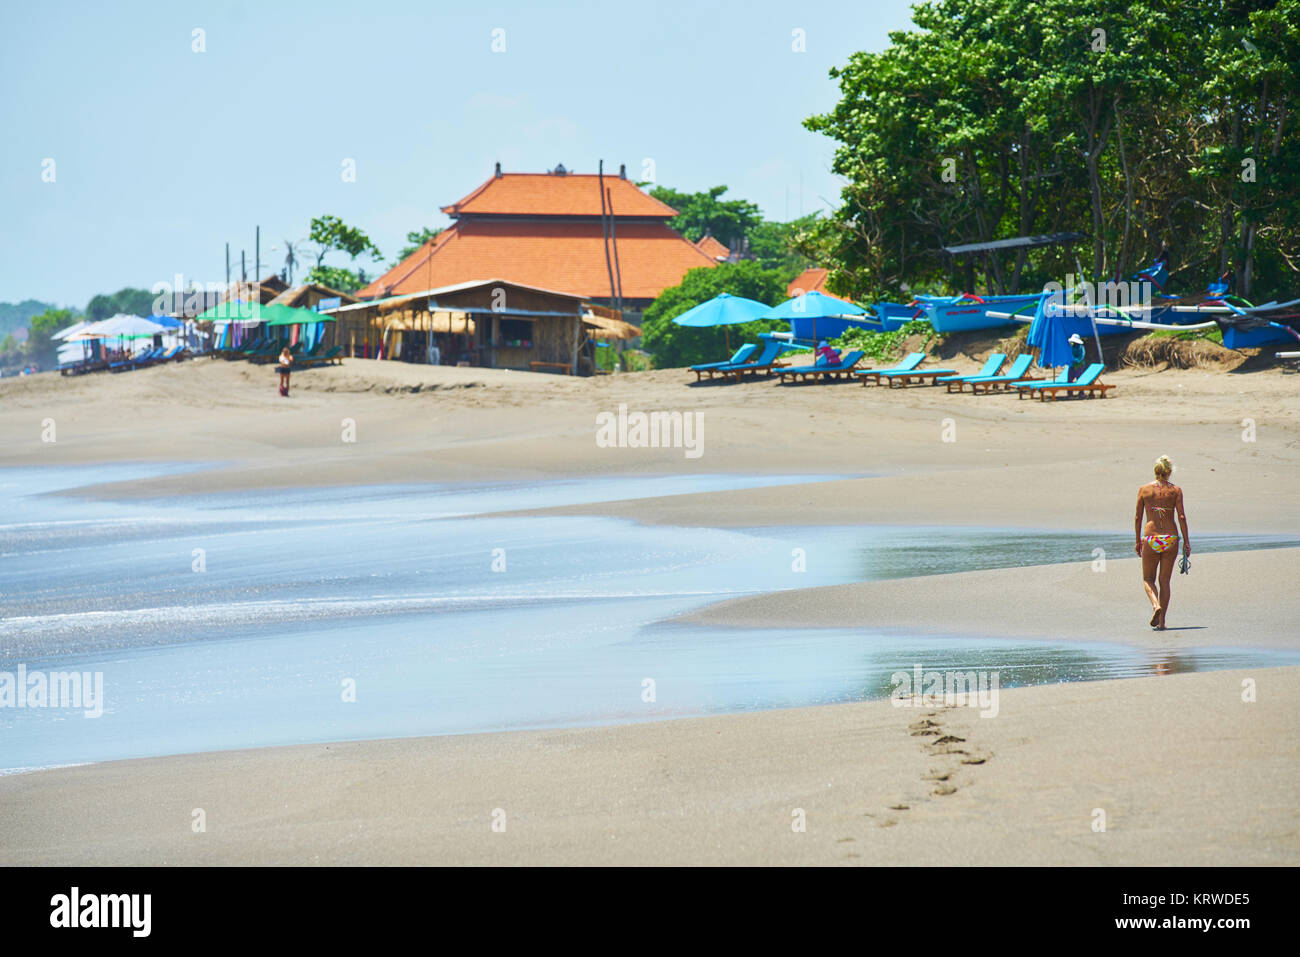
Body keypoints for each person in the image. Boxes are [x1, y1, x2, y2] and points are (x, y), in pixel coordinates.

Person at [1134, 455, 1191, 630]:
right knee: (1164, 580)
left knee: (1148, 578)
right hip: (1171, 539)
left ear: (1155, 471)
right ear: (1169, 472)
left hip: (1151, 538)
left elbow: (1138, 517)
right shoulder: (1176, 491)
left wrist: (1138, 541)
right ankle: (1163, 622)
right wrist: (1186, 541)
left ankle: (1155, 605)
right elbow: (1181, 516)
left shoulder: (1144, 490)